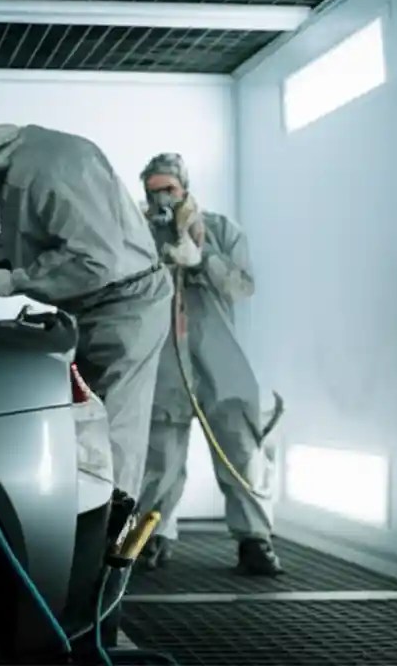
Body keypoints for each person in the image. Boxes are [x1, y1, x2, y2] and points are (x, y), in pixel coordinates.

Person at [0, 101, 173, 506]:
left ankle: (113, 548)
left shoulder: (50, 167)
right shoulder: (15, 163)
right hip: (97, 307)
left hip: (128, 306)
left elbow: (94, 262)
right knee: (85, 425)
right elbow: (41, 242)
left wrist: (13, 281)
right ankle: (86, 535)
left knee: (112, 431)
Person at [134, 152, 286, 577]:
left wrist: (203, 257)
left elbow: (244, 287)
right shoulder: (141, 236)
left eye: (169, 189)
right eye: (153, 192)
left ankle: (255, 539)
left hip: (223, 362)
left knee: (240, 449)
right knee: (159, 456)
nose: (161, 199)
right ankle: (152, 537)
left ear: (186, 189)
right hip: (167, 361)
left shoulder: (220, 230)